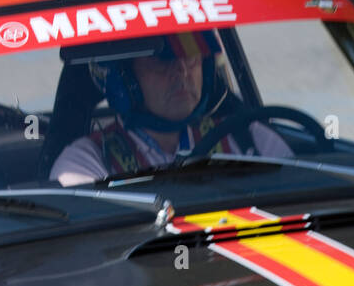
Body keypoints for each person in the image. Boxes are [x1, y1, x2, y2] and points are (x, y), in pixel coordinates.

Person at [50, 32, 290, 186]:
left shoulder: (248, 138)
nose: (182, 73)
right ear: (124, 80)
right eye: (163, 61)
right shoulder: (85, 163)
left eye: (192, 58)